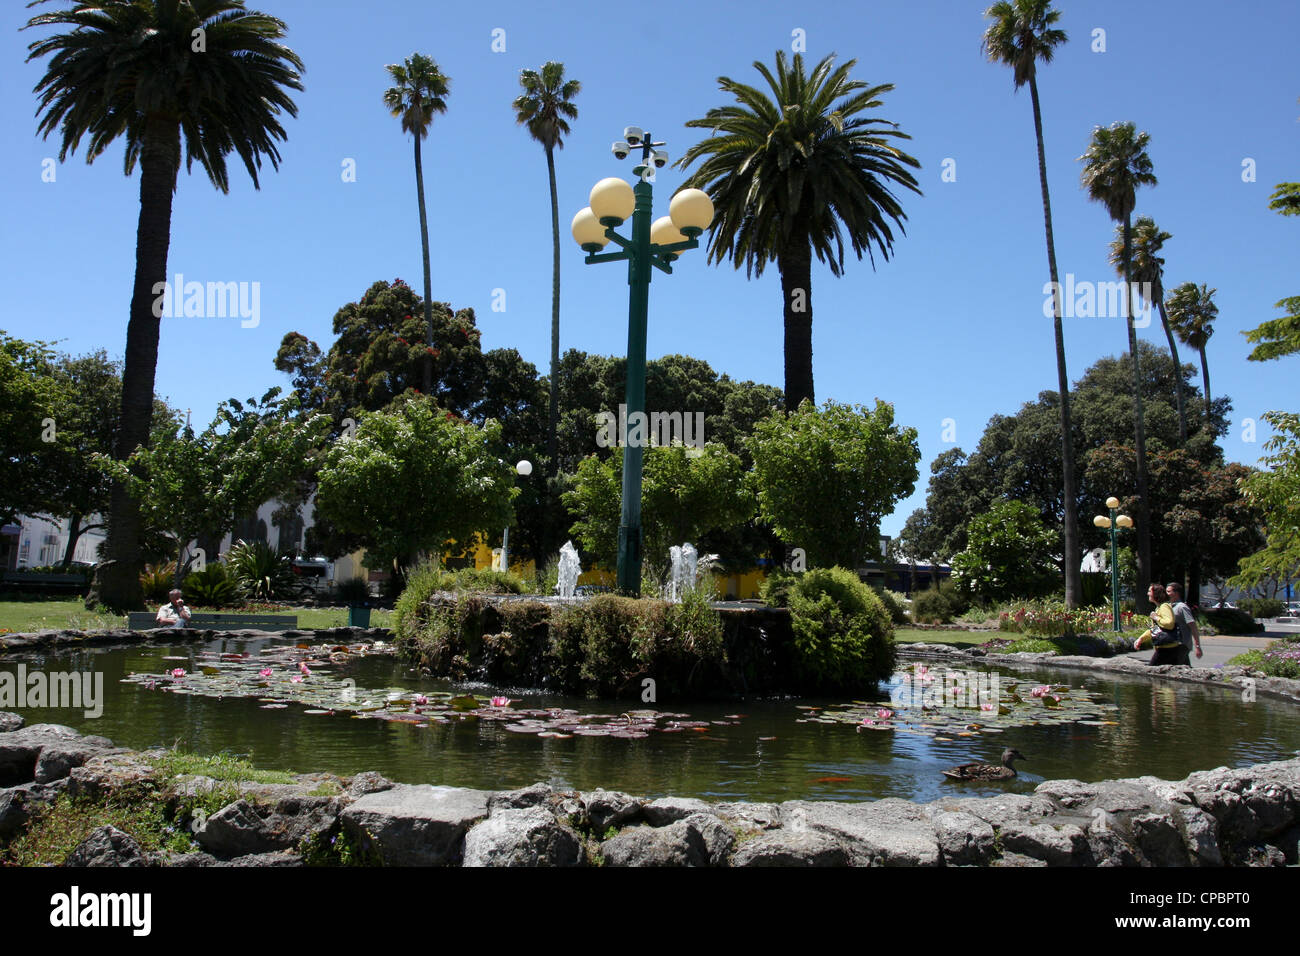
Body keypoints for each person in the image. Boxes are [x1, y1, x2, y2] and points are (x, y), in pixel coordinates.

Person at [1132, 583, 1186, 665]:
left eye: (1150, 591)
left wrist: (1156, 618)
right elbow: (1155, 630)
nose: (1148, 593)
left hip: (1168, 649)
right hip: (1165, 647)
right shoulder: (1158, 608)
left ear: (1156, 594)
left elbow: (1169, 624)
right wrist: (1141, 639)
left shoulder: (1164, 606)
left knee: (1151, 670)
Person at [1166, 581, 1203, 663]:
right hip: (1173, 643)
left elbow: (1193, 626)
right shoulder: (1168, 606)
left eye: (1168, 591)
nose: (1166, 593)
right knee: (1183, 668)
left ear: (1176, 593)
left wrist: (1197, 646)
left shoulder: (1182, 607)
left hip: (1182, 645)